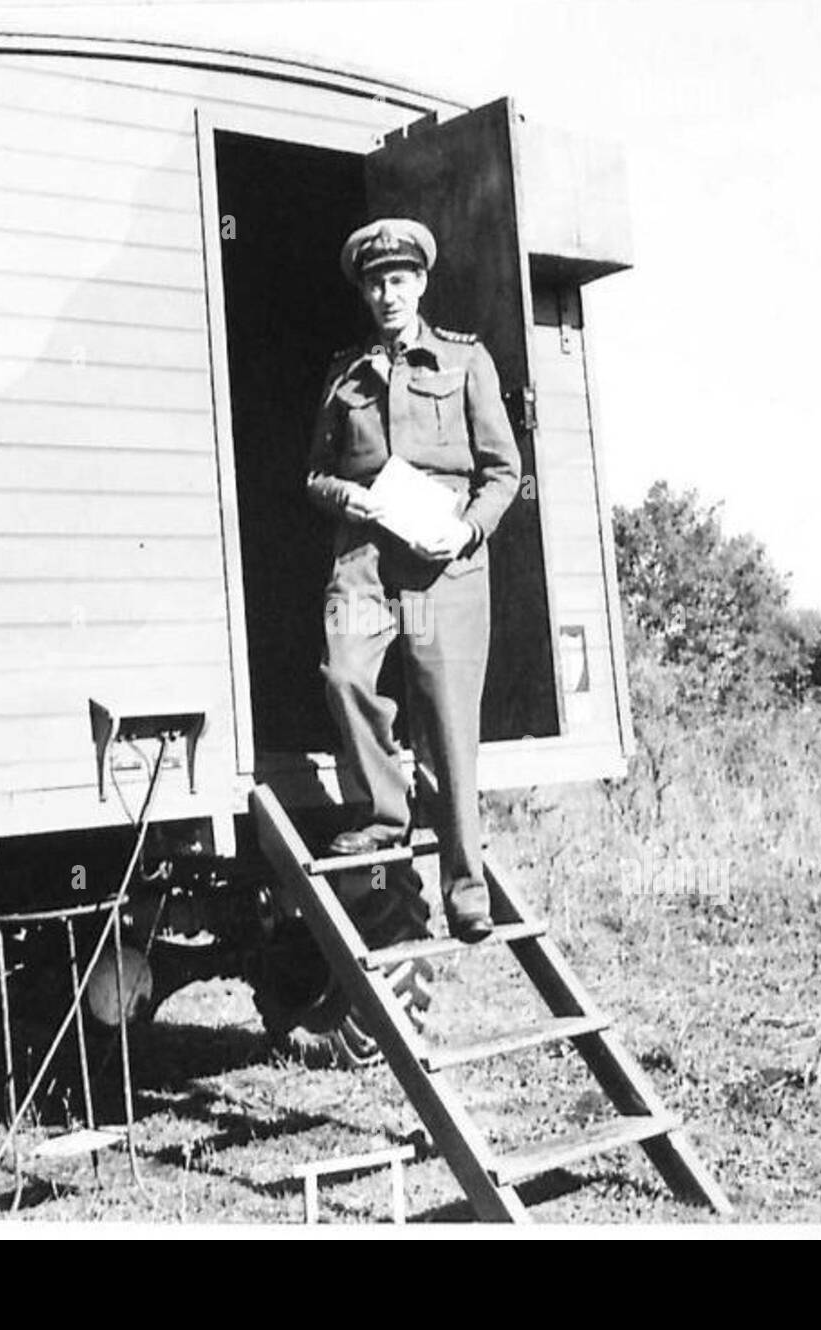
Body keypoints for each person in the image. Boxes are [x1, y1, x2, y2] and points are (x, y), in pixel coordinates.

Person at [305, 218, 521, 943]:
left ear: (421, 284)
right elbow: (315, 474)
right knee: (343, 673)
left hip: (439, 565)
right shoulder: (345, 375)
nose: (387, 292)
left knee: (448, 722)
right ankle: (385, 815)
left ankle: (465, 890)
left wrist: (467, 529)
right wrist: (348, 498)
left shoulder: (465, 362)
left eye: (399, 279)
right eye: (375, 282)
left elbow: (503, 471)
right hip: (366, 556)